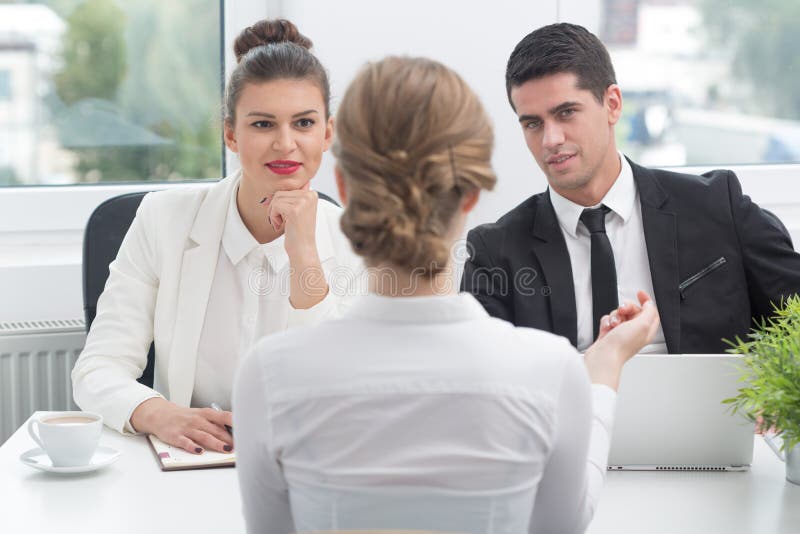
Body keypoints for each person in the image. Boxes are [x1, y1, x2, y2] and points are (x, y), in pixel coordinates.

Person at [233, 56, 660, 534]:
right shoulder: (551, 370)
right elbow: (563, 525)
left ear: (344, 188)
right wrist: (601, 373)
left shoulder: (267, 376)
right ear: (471, 193)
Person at [72, 19, 363, 454]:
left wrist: (304, 253)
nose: (286, 144)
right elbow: (97, 369)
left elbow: (342, 390)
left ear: (327, 133)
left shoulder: (357, 242)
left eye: (303, 123)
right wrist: (160, 413)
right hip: (188, 464)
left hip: (302, 467)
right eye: (263, 125)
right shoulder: (162, 219)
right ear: (230, 133)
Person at [461, 22, 800, 354]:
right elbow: (486, 388)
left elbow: (795, 317)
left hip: (708, 410)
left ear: (613, 104)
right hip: (572, 409)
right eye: (533, 124)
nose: (551, 140)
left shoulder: (717, 205)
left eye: (566, 113)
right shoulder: (494, 253)